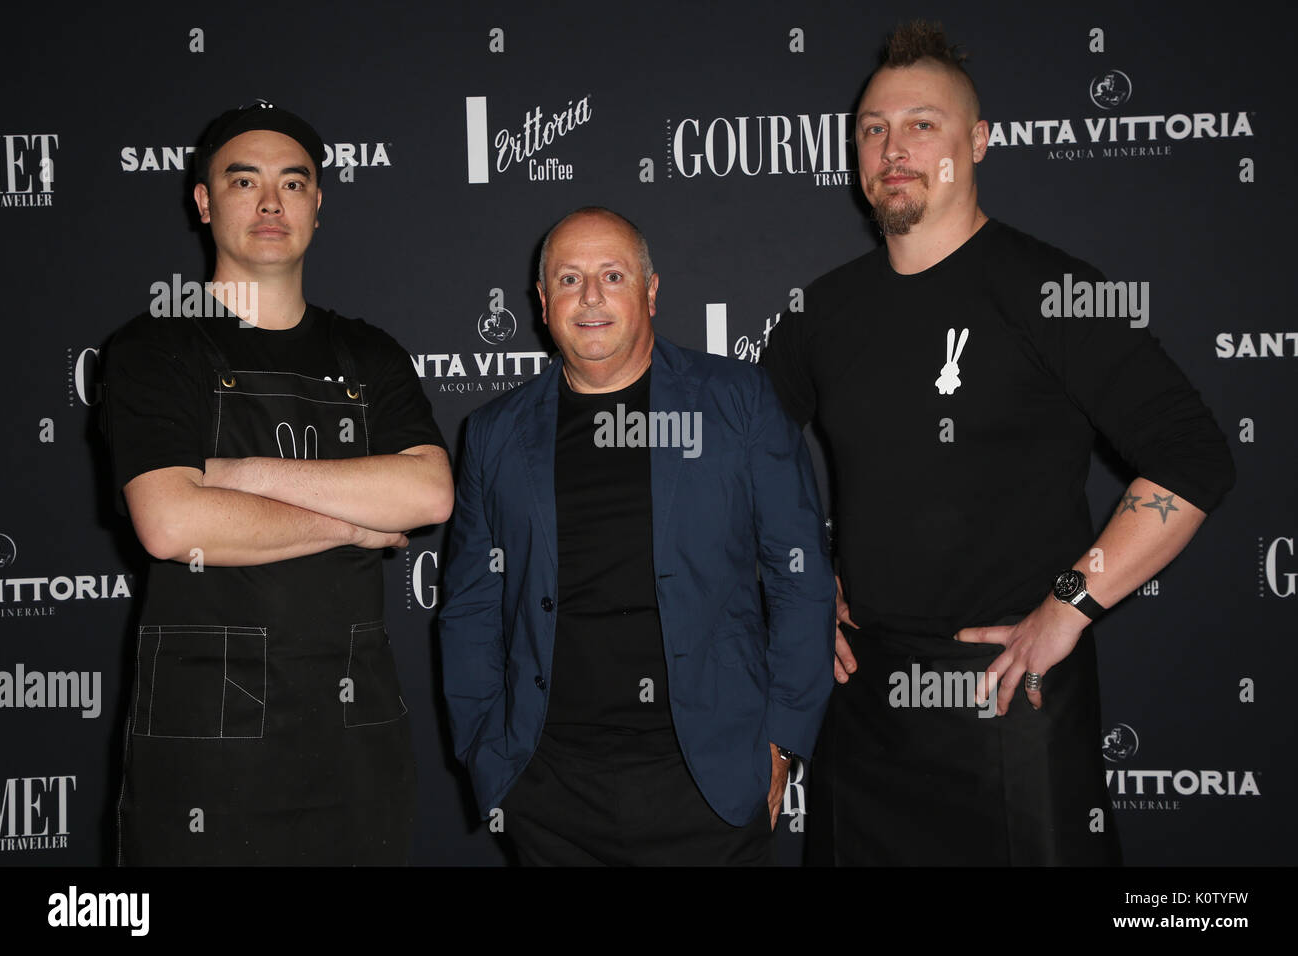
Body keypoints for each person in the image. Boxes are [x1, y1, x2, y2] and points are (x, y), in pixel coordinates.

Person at [761, 22, 1234, 865]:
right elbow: (748, 462)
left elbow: (1193, 455)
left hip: (1014, 693)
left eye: (922, 124)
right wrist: (798, 584)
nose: (893, 147)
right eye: (873, 128)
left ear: (977, 142)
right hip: (865, 701)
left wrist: (1071, 604)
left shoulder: (1051, 291)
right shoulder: (818, 315)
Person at [103, 102, 453, 864]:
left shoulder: (371, 353)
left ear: (318, 206)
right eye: (244, 180)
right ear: (203, 202)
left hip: (357, 747)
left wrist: (238, 477)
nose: (270, 203)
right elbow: (172, 524)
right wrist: (354, 521)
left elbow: (426, 495)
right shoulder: (153, 347)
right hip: (203, 753)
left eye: (293, 184)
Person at [439, 206, 835, 866]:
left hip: (709, 780)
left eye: (613, 275)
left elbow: (801, 576)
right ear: (542, 303)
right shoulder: (494, 433)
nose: (590, 296)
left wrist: (782, 742)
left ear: (650, 291)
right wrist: (489, 753)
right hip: (550, 787)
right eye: (569, 279)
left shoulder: (738, 401)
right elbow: (470, 609)